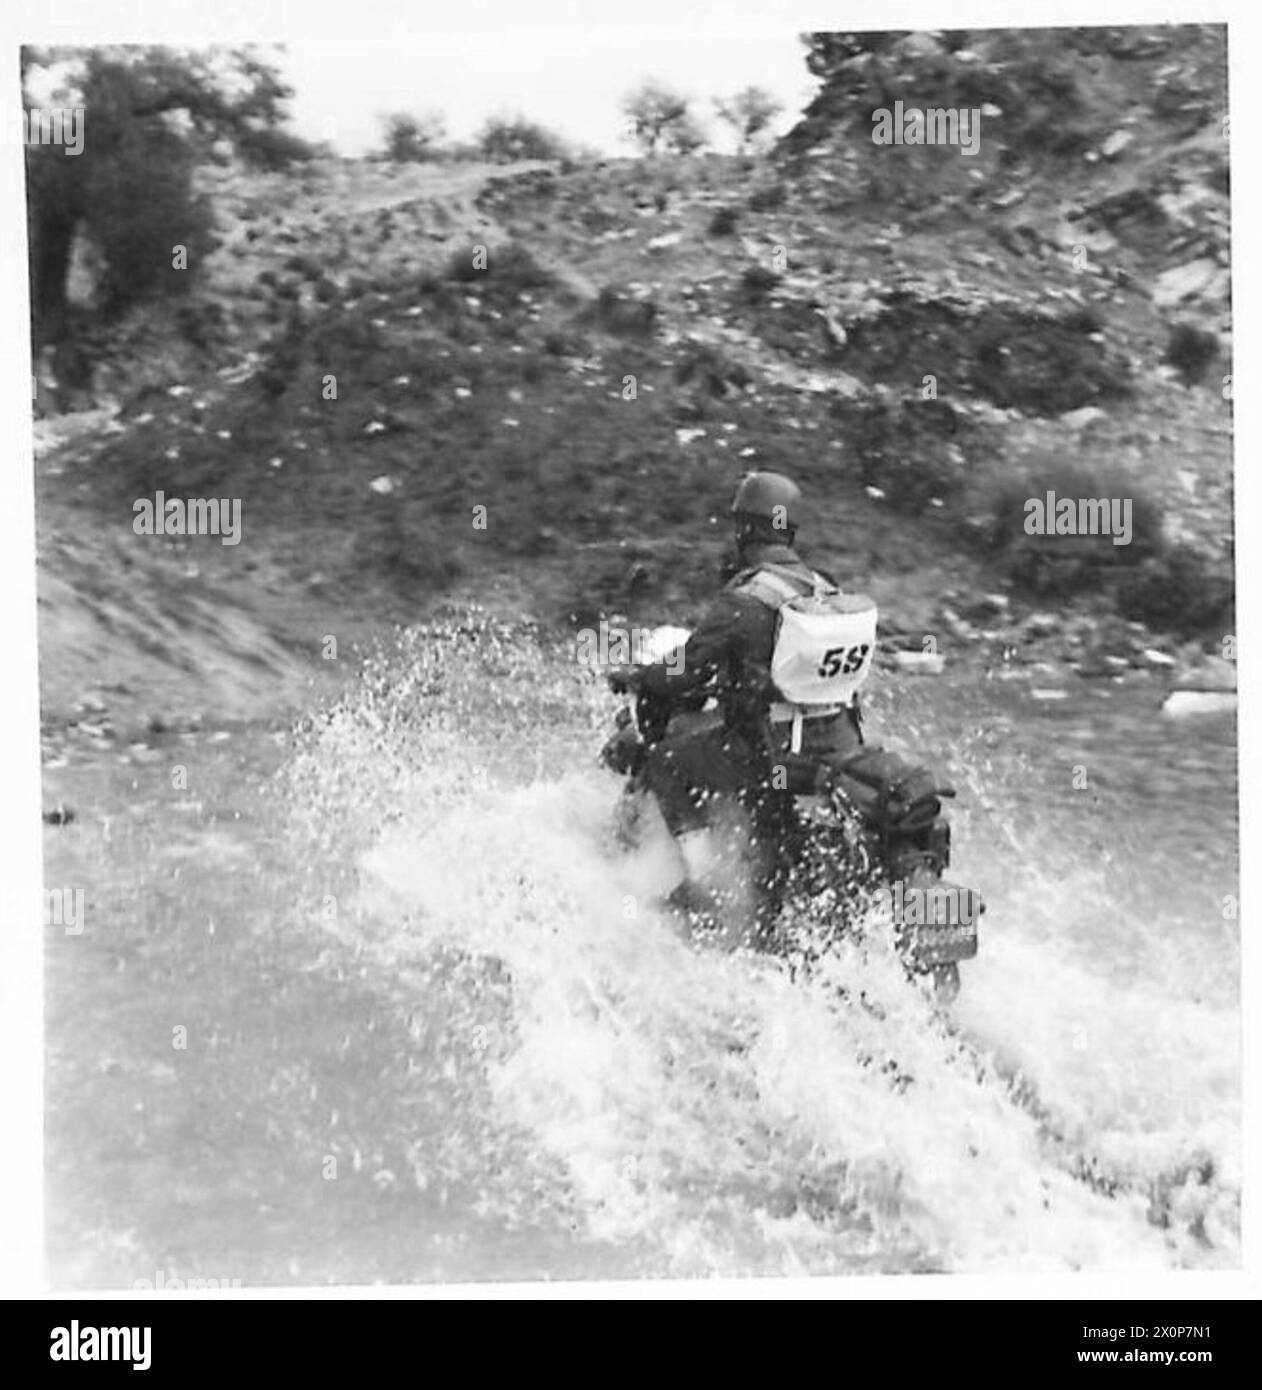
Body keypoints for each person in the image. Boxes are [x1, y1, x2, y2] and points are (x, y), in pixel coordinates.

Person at [608, 470, 873, 931]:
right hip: (838, 744)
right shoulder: (822, 587)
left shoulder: (746, 598)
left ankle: (701, 882)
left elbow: (683, 670)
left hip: (772, 752)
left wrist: (637, 674)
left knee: (668, 760)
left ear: (746, 529)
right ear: (790, 529)